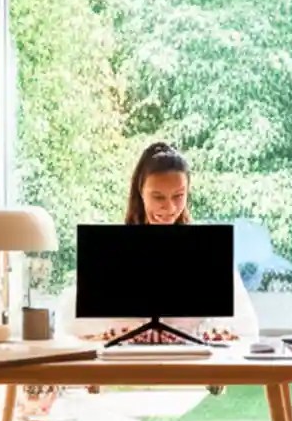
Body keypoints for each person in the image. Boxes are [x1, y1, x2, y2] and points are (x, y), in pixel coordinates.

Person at [57, 141, 260, 343]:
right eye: (158, 197)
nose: (169, 208)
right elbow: (70, 322)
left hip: (189, 365)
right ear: (141, 193)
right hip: (125, 364)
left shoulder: (206, 252)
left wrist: (199, 332)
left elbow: (245, 326)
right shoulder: (112, 250)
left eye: (178, 196)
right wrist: (129, 330)